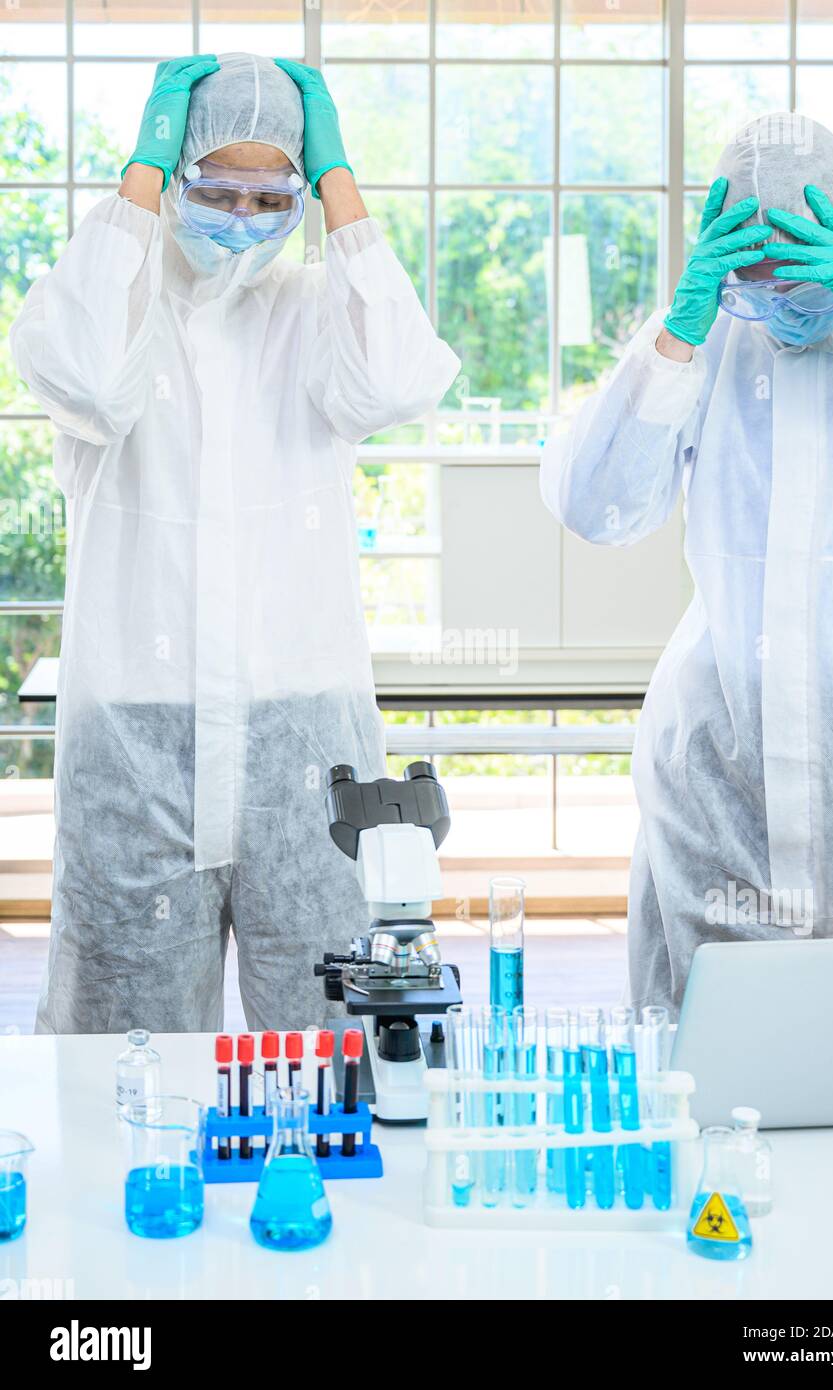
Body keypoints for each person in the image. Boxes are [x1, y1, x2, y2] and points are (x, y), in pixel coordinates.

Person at [11, 53, 460, 1033]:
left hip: (301, 750)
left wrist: (339, 185)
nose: (245, 216)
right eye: (217, 187)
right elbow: (86, 375)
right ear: (172, 181)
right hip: (135, 746)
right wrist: (136, 185)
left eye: (273, 194)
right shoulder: (110, 311)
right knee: (118, 1061)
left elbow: (394, 380)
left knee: (330, 1051)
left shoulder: (311, 311)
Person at [540, 115, 833, 1014]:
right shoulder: (704, 335)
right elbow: (595, 505)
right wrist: (680, 330)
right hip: (721, 792)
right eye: (757, 282)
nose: (780, 305)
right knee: (716, 1074)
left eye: (804, 273)